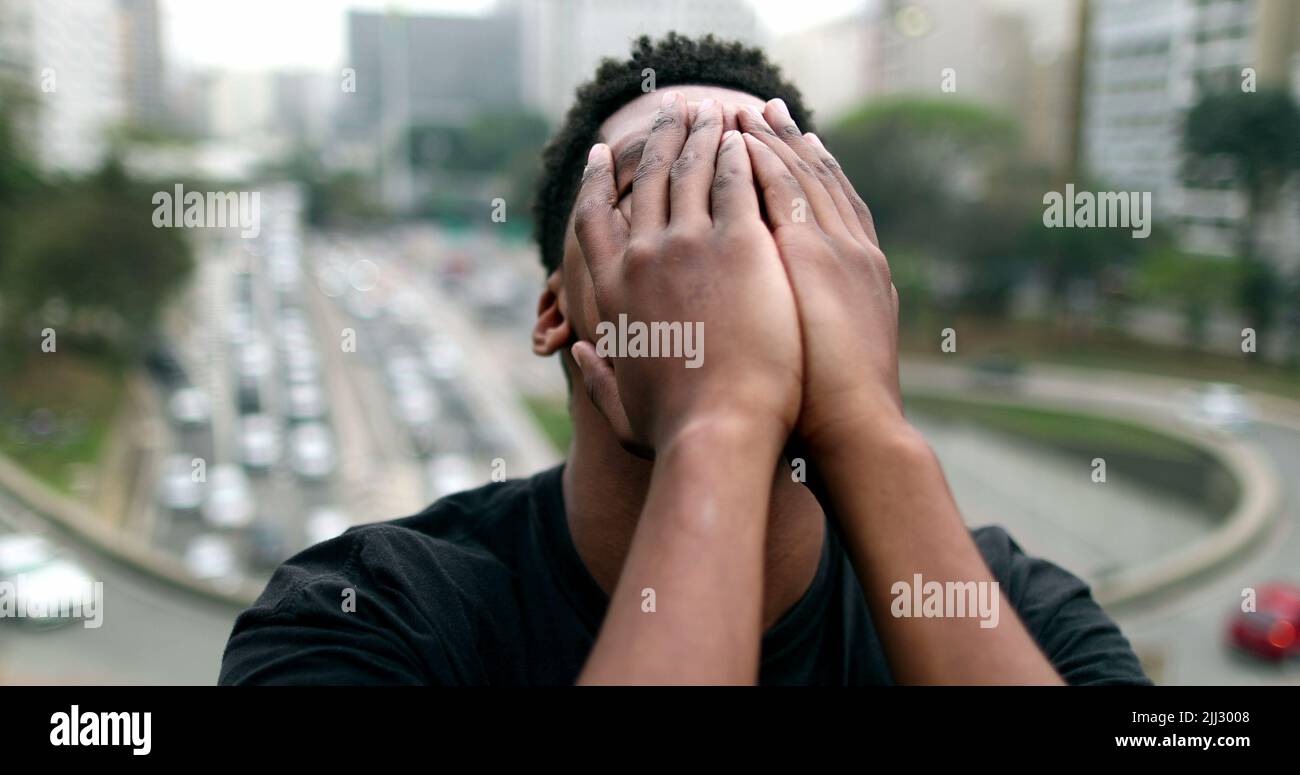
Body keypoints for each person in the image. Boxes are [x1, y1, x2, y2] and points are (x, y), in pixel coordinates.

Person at [220, 34, 1150, 685]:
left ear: (865, 287)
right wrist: (723, 423)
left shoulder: (1023, 615)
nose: (726, 246)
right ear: (553, 310)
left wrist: (866, 429)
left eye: (777, 192)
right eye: (654, 194)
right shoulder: (364, 618)